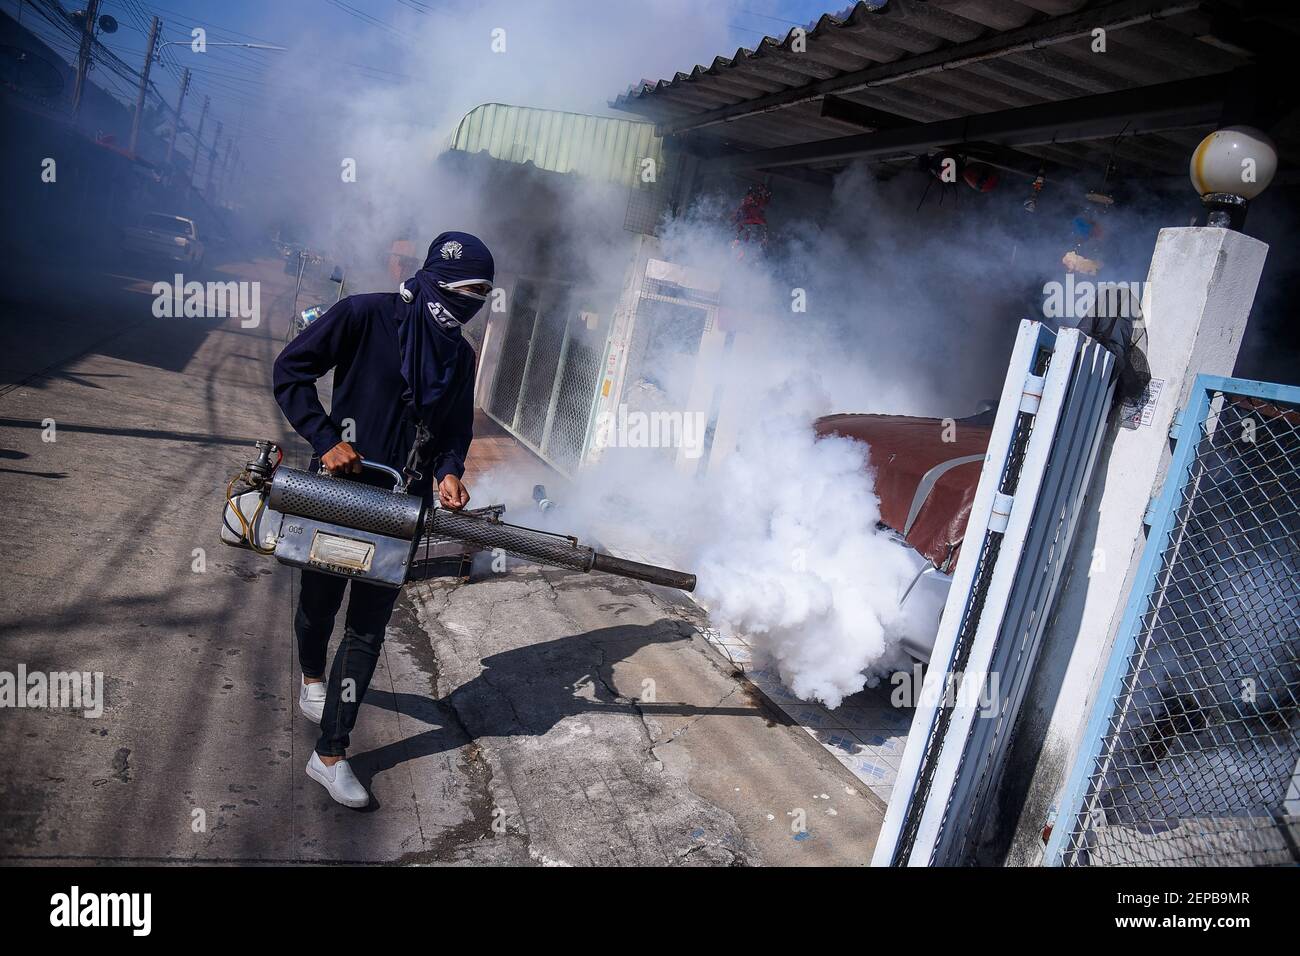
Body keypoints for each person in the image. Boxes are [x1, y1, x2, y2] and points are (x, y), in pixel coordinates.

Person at [272, 231, 494, 808]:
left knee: (368, 627)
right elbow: (291, 370)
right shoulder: (365, 314)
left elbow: (454, 432)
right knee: (319, 605)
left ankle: (331, 754)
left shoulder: (459, 354)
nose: (472, 304)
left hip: (401, 506)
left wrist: (448, 471)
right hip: (342, 492)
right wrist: (325, 440)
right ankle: (313, 677)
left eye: (483, 295)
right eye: (465, 291)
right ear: (435, 281)